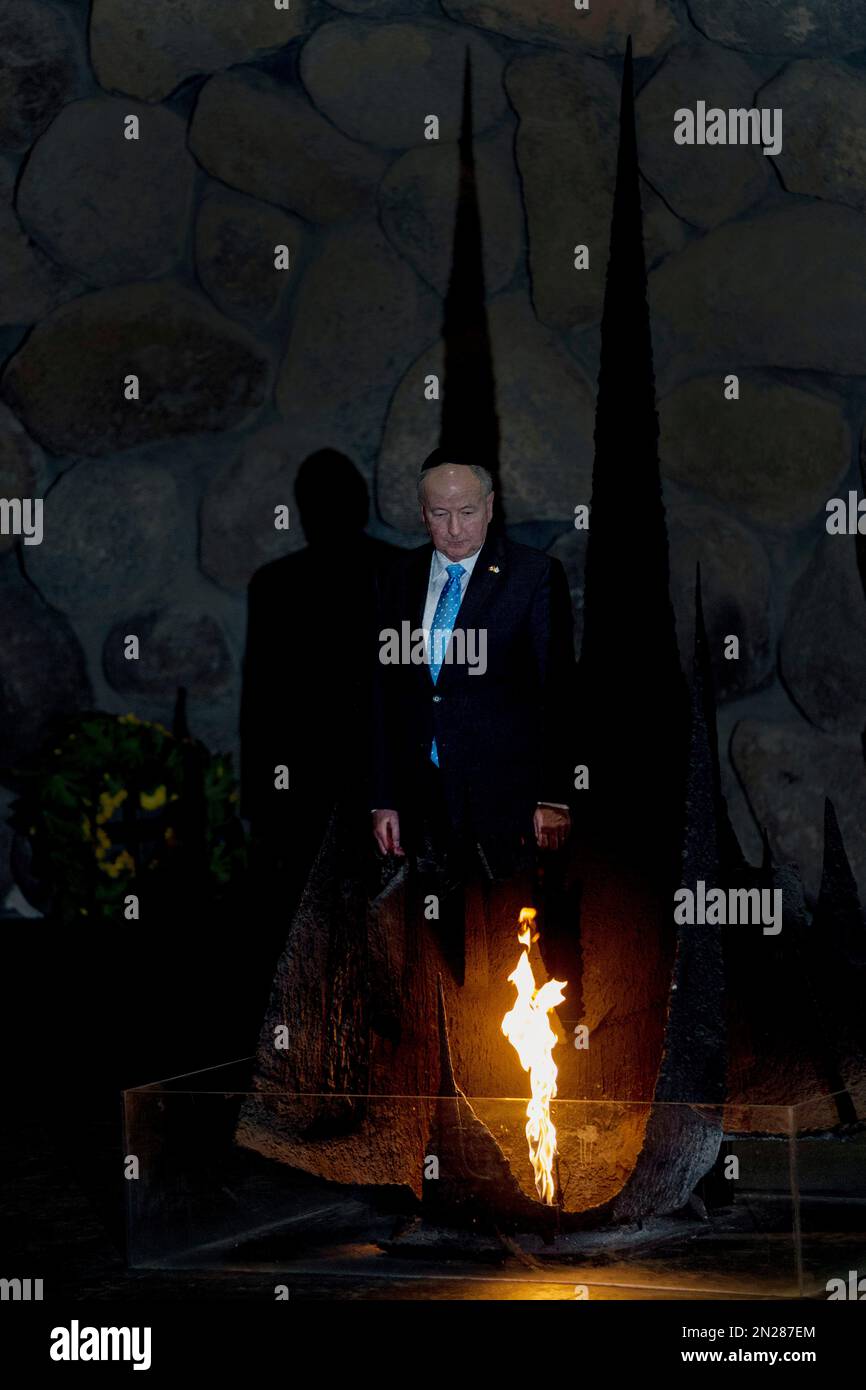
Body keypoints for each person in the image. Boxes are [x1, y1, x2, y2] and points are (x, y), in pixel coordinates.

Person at [370, 447, 576, 982]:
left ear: (489, 507)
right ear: (423, 514)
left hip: (506, 802)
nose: (455, 528)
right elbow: (384, 696)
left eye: (466, 512)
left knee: (514, 948)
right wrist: (384, 797)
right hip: (423, 802)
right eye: (440, 514)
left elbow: (559, 692)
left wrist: (553, 795)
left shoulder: (534, 576)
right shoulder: (396, 579)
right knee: (431, 950)